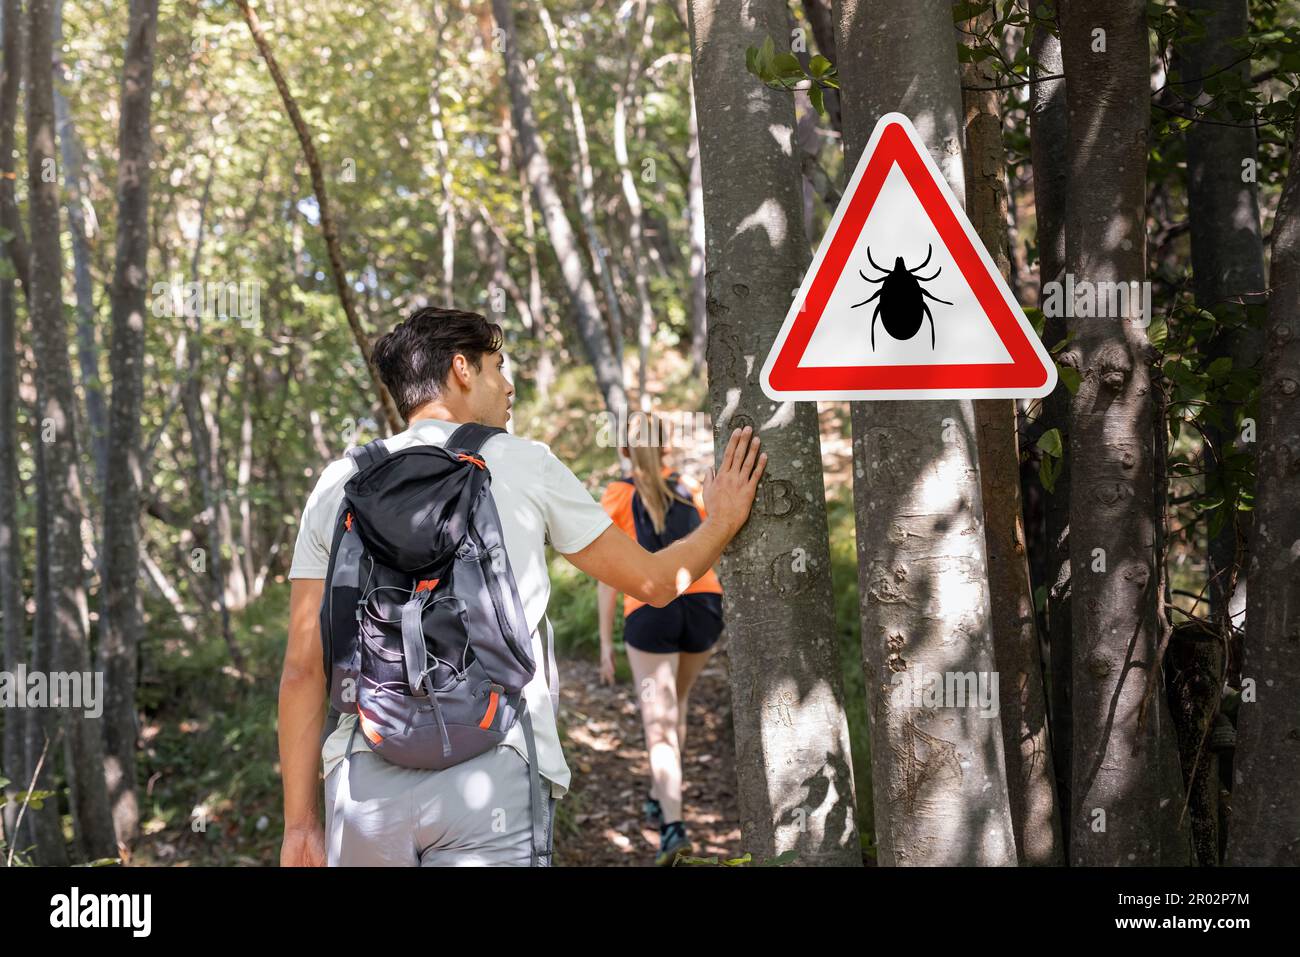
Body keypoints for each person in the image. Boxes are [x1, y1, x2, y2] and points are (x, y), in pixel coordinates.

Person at [278, 306, 767, 867]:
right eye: (497, 366)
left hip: (365, 783)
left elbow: (302, 670)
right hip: (497, 768)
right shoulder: (523, 462)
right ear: (462, 369)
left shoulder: (340, 482)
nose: (508, 386)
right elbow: (654, 583)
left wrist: (300, 827)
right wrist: (722, 520)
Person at [598, 420, 724, 866]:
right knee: (678, 704)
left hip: (652, 608)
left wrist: (605, 643)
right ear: (666, 446)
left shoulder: (617, 495)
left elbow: (608, 576)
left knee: (658, 721)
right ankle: (659, 794)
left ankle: (672, 827)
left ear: (627, 452)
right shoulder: (688, 487)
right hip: (705, 605)